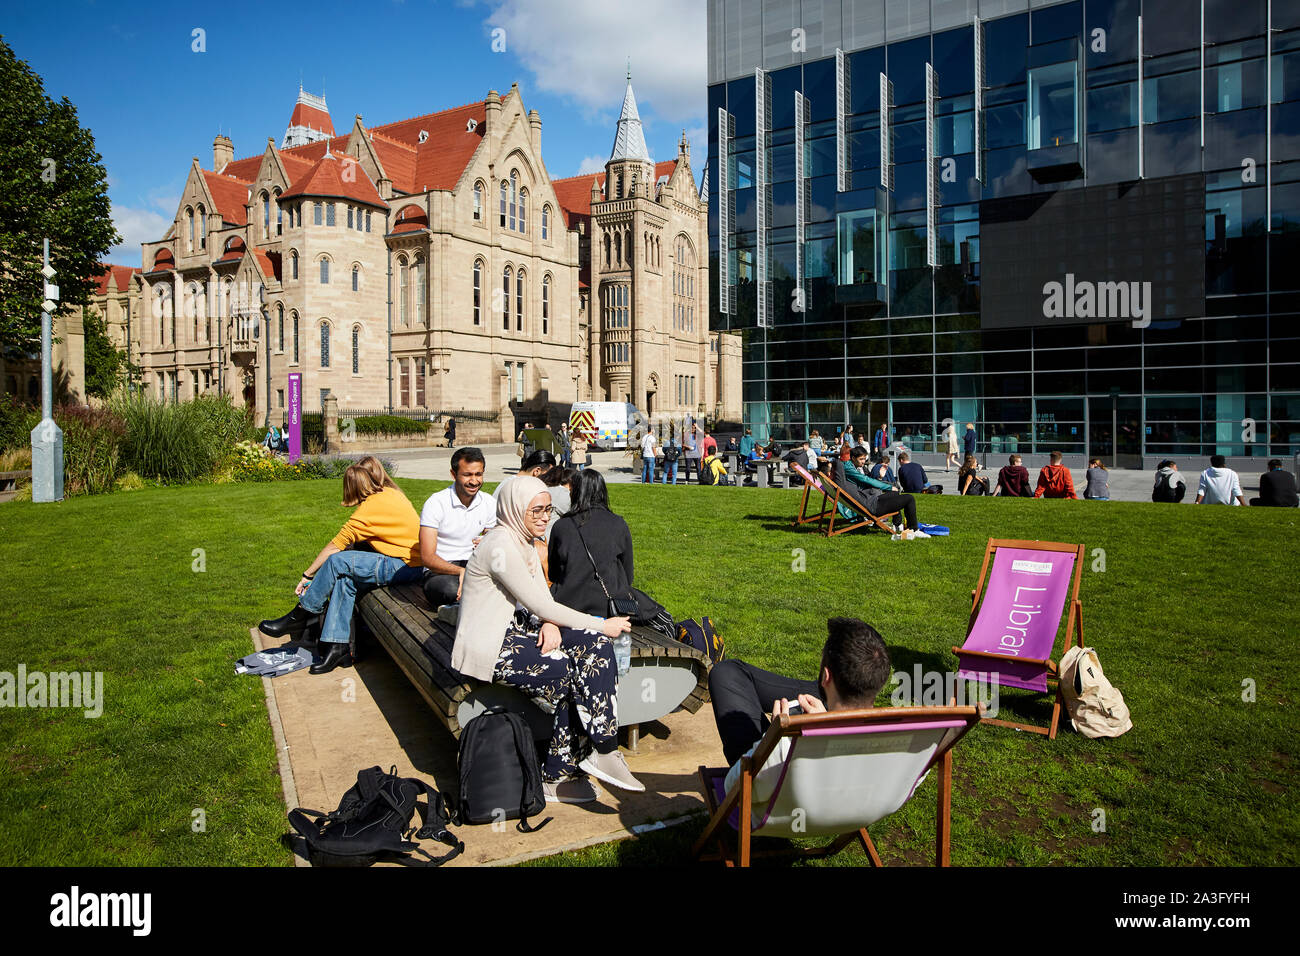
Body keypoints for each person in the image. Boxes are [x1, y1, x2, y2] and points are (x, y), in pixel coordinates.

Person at [452, 475, 640, 802]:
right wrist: (601, 624)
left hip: (518, 632)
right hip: (491, 646)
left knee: (595, 648)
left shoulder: (522, 541)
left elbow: (543, 600)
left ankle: (600, 753)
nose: (543, 517)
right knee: (578, 671)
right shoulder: (500, 545)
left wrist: (550, 622)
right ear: (514, 508)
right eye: (535, 510)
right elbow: (541, 603)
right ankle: (565, 770)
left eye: (548, 509)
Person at [260, 464, 424, 674]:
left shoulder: (368, 510)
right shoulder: (390, 494)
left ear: (351, 488)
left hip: (406, 566)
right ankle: (338, 648)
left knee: (338, 561)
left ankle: (301, 614)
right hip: (411, 562)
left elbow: (334, 547)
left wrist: (307, 575)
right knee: (345, 579)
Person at [708, 618, 892, 790]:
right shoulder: (906, 743)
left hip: (778, 810)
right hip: (854, 802)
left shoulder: (789, 743)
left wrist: (772, 738)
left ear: (826, 677)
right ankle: (841, 695)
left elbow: (735, 784)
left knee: (725, 673)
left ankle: (836, 692)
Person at [548, 470, 635, 619]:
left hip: (568, 605)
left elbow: (553, 573)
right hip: (607, 605)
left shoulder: (561, 526)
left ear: (574, 492)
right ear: (602, 491)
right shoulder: (618, 524)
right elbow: (627, 573)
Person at [419, 447, 497, 610]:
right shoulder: (436, 503)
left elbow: (493, 542)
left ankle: (459, 609)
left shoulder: (488, 502)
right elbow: (427, 557)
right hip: (443, 571)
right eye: (467, 475)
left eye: (478, 474)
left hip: (475, 568)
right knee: (449, 589)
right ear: (453, 474)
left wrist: (487, 542)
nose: (474, 481)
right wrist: (462, 572)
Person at [843, 445, 927, 539]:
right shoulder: (849, 469)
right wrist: (888, 487)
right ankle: (914, 530)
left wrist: (881, 479)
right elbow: (866, 480)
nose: (864, 461)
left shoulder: (848, 466)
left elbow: (866, 481)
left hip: (869, 500)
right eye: (861, 459)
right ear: (853, 458)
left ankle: (897, 525)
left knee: (894, 494)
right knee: (909, 498)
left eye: (864, 459)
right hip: (871, 504)